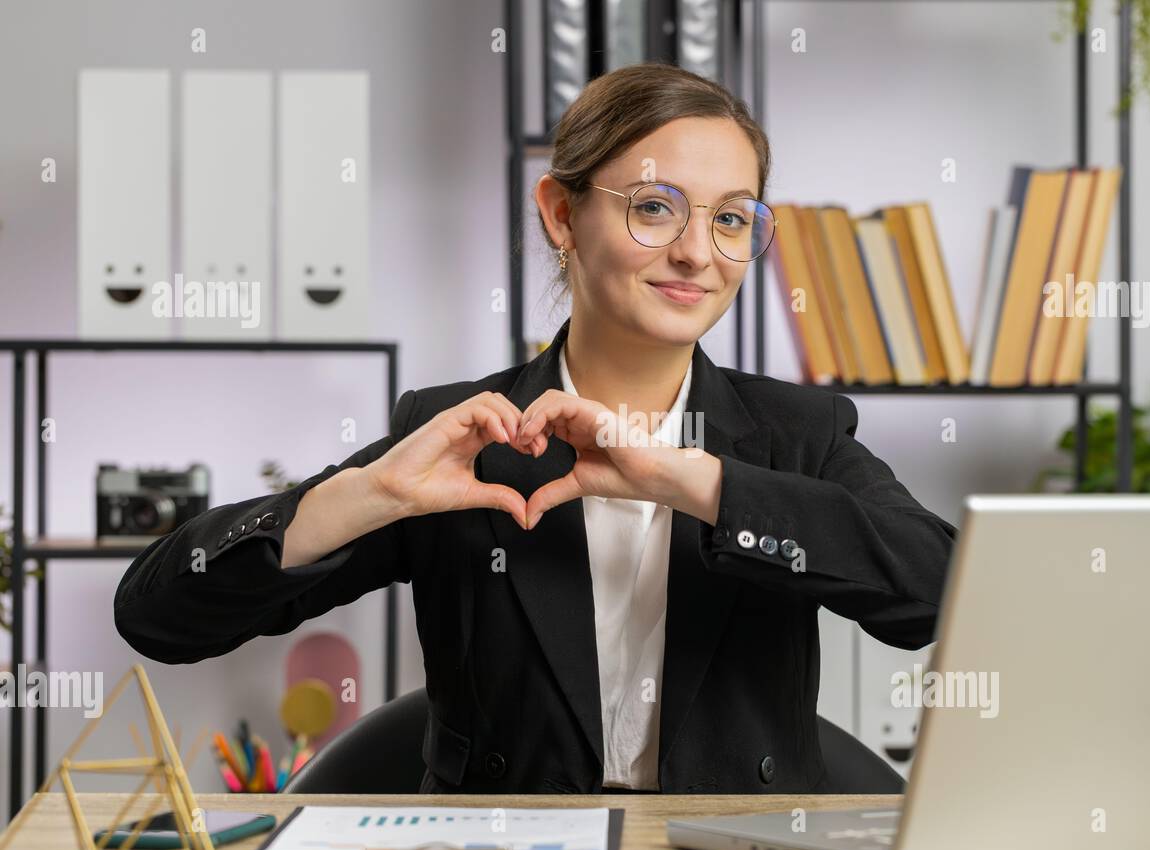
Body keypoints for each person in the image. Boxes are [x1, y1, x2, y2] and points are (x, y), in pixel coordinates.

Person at [114, 62, 958, 795]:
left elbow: (939, 591)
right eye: (657, 208)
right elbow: (160, 614)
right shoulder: (458, 434)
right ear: (561, 215)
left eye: (732, 219)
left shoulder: (796, 431)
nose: (699, 254)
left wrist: (687, 479)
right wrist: (368, 496)